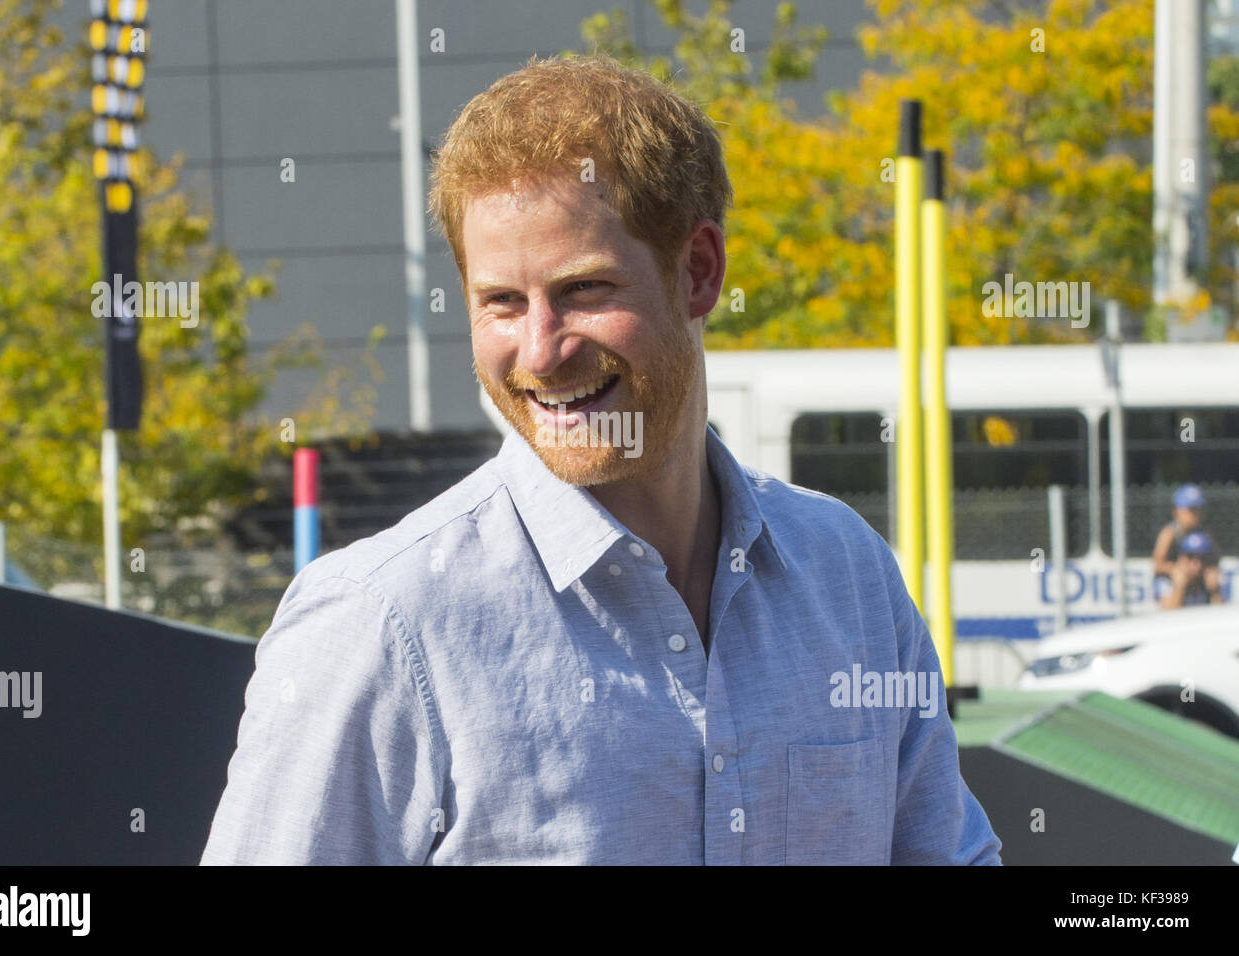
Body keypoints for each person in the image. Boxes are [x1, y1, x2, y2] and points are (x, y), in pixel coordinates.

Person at [200, 54, 1001, 865]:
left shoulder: (848, 575)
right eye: (502, 304)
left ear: (698, 271)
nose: (541, 354)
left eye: (583, 291)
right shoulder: (378, 625)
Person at [1152, 483, 1208, 581]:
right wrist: (1179, 568)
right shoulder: (1169, 533)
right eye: (1191, 510)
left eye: (1198, 510)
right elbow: (1157, 565)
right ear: (1177, 511)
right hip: (1170, 581)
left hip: (1195, 580)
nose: (1196, 514)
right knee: (1180, 578)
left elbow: (1215, 556)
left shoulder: (1202, 531)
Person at [1159, 531, 1223, 609]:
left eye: (1202, 558)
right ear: (1180, 559)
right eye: (1190, 557)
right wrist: (1179, 589)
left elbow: (1218, 618)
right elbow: (1168, 617)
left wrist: (1215, 592)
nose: (1196, 564)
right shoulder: (1167, 581)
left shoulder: (1209, 584)